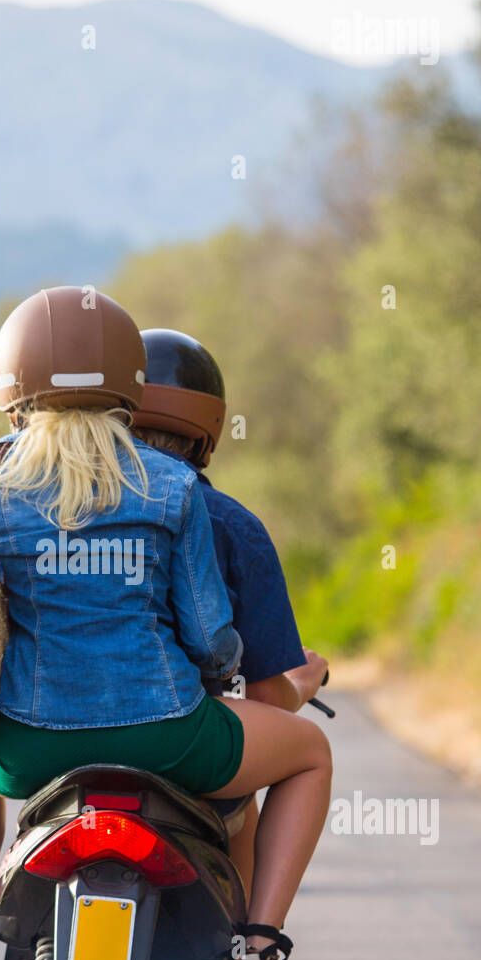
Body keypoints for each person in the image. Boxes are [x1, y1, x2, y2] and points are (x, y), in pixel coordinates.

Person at [0, 287, 332, 960]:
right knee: (309, 752)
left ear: (11, 385)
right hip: (167, 735)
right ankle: (257, 951)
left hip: (28, 744)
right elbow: (213, 638)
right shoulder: (174, 485)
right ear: (129, 379)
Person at [131, 328, 329, 898]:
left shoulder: (58, 502)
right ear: (208, 429)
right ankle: (259, 947)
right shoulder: (227, 520)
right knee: (294, 759)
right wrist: (302, 682)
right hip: (181, 738)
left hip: (47, 735)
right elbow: (265, 700)